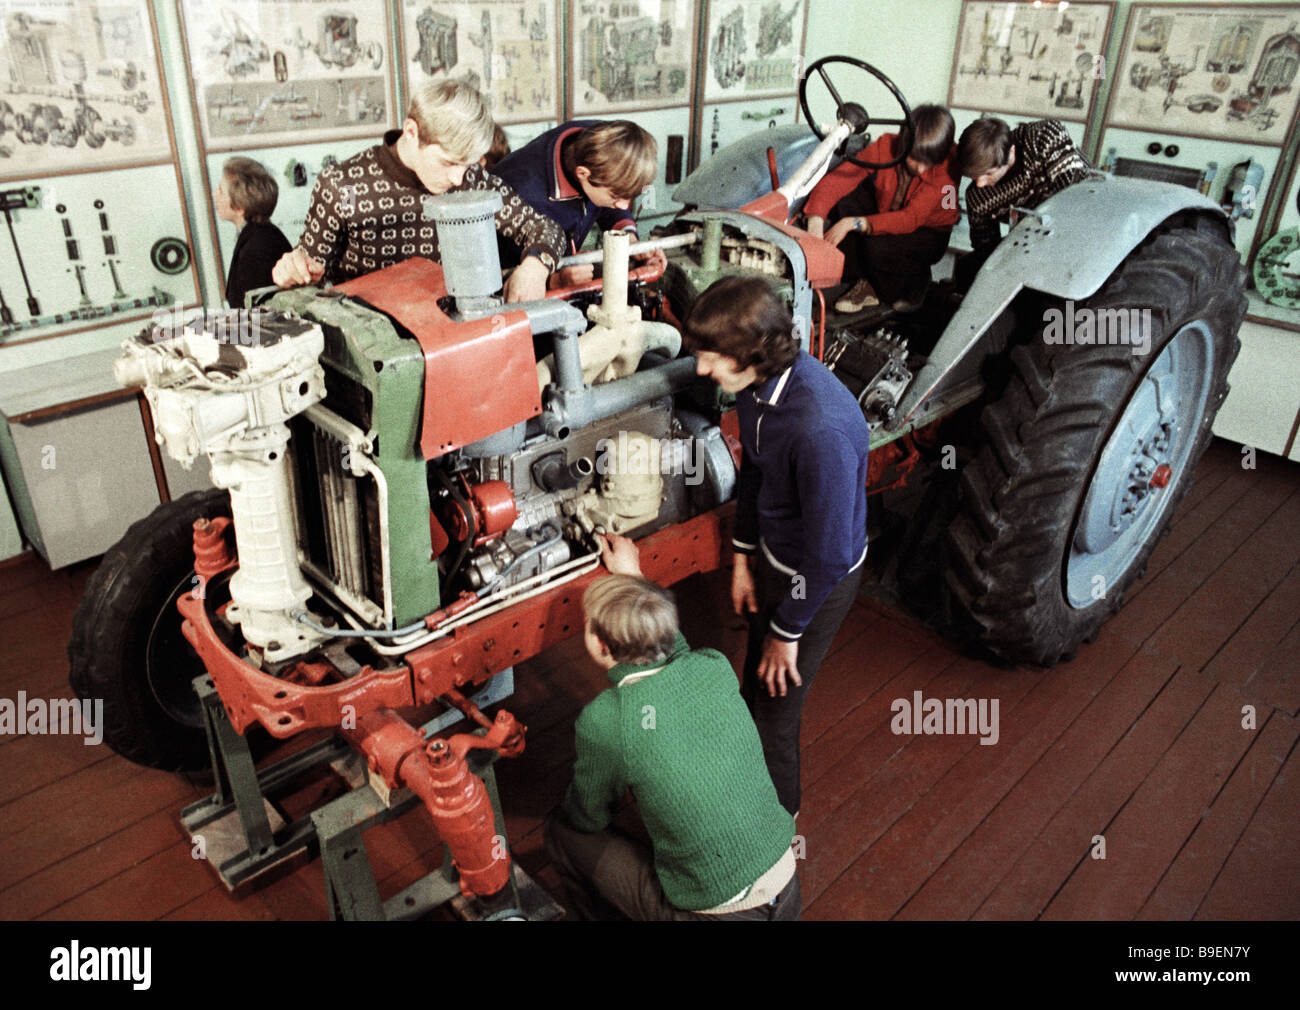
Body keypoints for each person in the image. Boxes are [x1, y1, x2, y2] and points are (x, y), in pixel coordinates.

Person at [683, 276, 870, 818]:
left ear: (751, 354)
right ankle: (743, 792)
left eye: (710, 356)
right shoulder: (756, 388)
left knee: (775, 714)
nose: (700, 369)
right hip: (775, 559)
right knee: (753, 687)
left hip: (818, 581)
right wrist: (742, 556)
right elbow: (758, 471)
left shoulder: (819, 429)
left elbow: (830, 554)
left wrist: (788, 631)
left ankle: (776, 834)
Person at [543, 533, 800, 921]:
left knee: (564, 831)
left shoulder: (607, 719)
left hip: (716, 913)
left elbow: (588, 816)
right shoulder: (713, 665)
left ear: (598, 645)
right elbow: (675, 652)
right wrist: (634, 576)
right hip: (788, 888)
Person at [271, 80, 564, 302]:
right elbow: (309, 275)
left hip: (448, 331)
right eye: (448, 162)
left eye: (468, 164)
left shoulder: (470, 178)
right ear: (411, 132)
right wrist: (293, 269)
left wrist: (536, 266)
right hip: (372, 347)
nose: (458, 178)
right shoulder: (342, 185)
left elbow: (544, 228)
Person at [803, 104, 959, 314]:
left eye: (928, 164)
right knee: (844, 204)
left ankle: (912, 283)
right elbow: (841, 178)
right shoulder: (887, 145)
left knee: (875, 250)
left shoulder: (946, 170)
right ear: (904, 142)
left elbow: (909, 219)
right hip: (890, 213)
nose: (921, 169)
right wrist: (815, 221)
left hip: (928, 234)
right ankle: (865, 275)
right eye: (915, 159)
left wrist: (854, 223)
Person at [491, 119, 665, 287]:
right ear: (583, 174)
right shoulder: (522, 195)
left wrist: (630, 240)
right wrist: (556, 281)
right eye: (616, 197)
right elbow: (495, 280)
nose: (623, 206)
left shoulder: (600, 140)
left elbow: (611, 191)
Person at [955, 116, 1091, 287]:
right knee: (968, 268)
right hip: (1032, 242)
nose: (980, 183)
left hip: (1083, 228)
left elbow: (1074, 198)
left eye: (988, 173)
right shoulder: (977, 198)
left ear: (1011, 152)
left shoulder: (1044, 137)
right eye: (974, 176)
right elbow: (986, 249)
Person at [215, 156, 291, 309]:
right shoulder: (259, 234)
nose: (214, 193)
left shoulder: (258, 247)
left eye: (221, 191)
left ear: (239, 206)